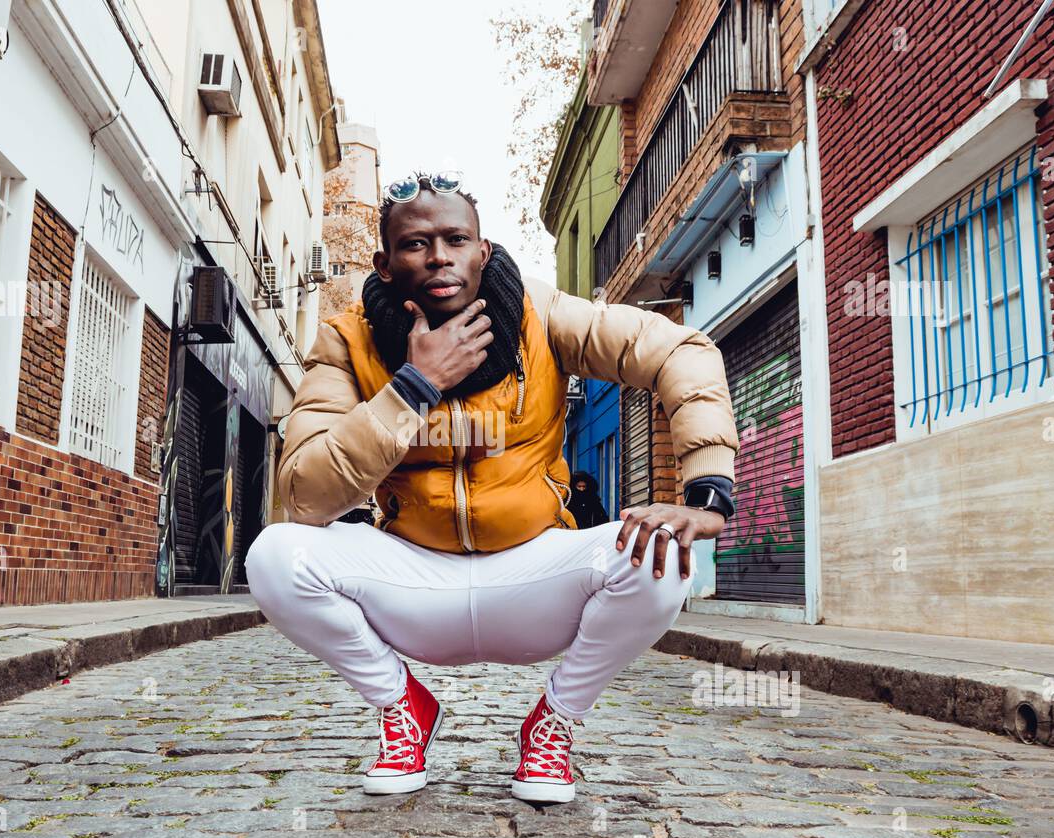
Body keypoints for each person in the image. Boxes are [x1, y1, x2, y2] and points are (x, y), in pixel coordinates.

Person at [246, 170, 738, 804]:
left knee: (663, 556)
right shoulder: (347, 340)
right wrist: (413, 388)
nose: (439, 257)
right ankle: (404, 710)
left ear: (482, 249)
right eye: (416, 244)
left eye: (456, 238)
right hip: (414, 584)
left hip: (534, 577)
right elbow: (305, 493)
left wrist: (706, 492)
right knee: (275, 555)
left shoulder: (543, 315)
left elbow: (681, 352)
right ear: (386, 263)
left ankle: (553, 722)